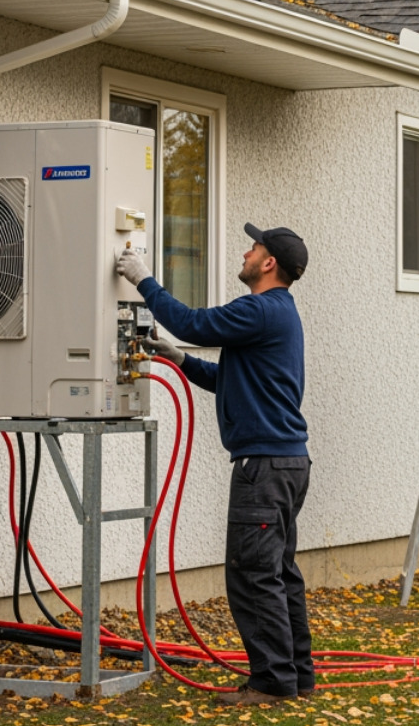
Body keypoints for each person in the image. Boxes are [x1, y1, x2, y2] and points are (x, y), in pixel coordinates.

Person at [117, 224, 313, 706]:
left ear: (268, 264)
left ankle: (271, 683)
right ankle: (297, 677)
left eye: (254, 248)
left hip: (263, 468)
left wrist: (144, 280)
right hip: (287, 462)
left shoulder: (260, 308)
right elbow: (228, 376)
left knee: (253, 574)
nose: (245, 253)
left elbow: (196, 323)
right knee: (279, 573)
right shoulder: (279, 314)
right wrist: (179, 359)